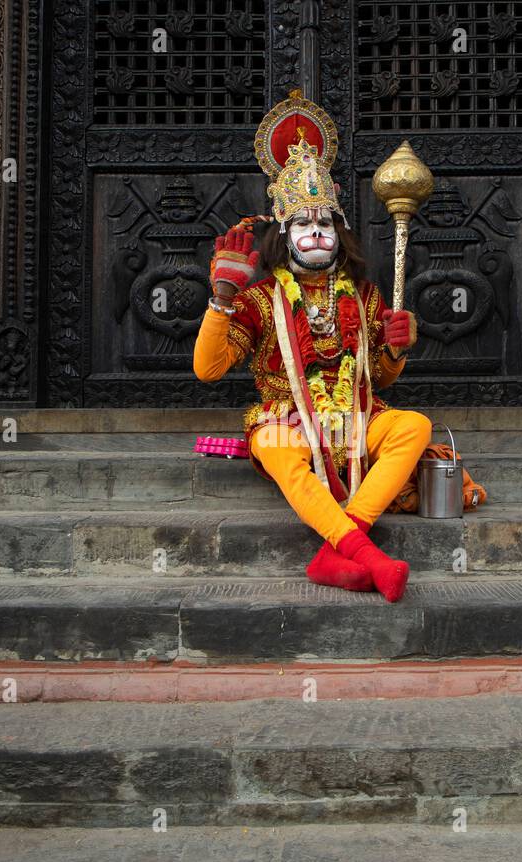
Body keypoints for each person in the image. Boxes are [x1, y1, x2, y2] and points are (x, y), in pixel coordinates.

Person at [193, 91, 431, 602]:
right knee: (278, 451)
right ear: (285, 232)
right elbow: (208, 369)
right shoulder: (258, 299)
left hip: (358, 413)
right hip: (287, 418)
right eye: (303, 223)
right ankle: (367, 556)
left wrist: (394, 349)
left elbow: (383, 380)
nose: (316, 234)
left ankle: (336, 554)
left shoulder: (366, 296)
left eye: (325, 223)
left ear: (338, 234)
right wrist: (221, 298)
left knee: (414, 425)